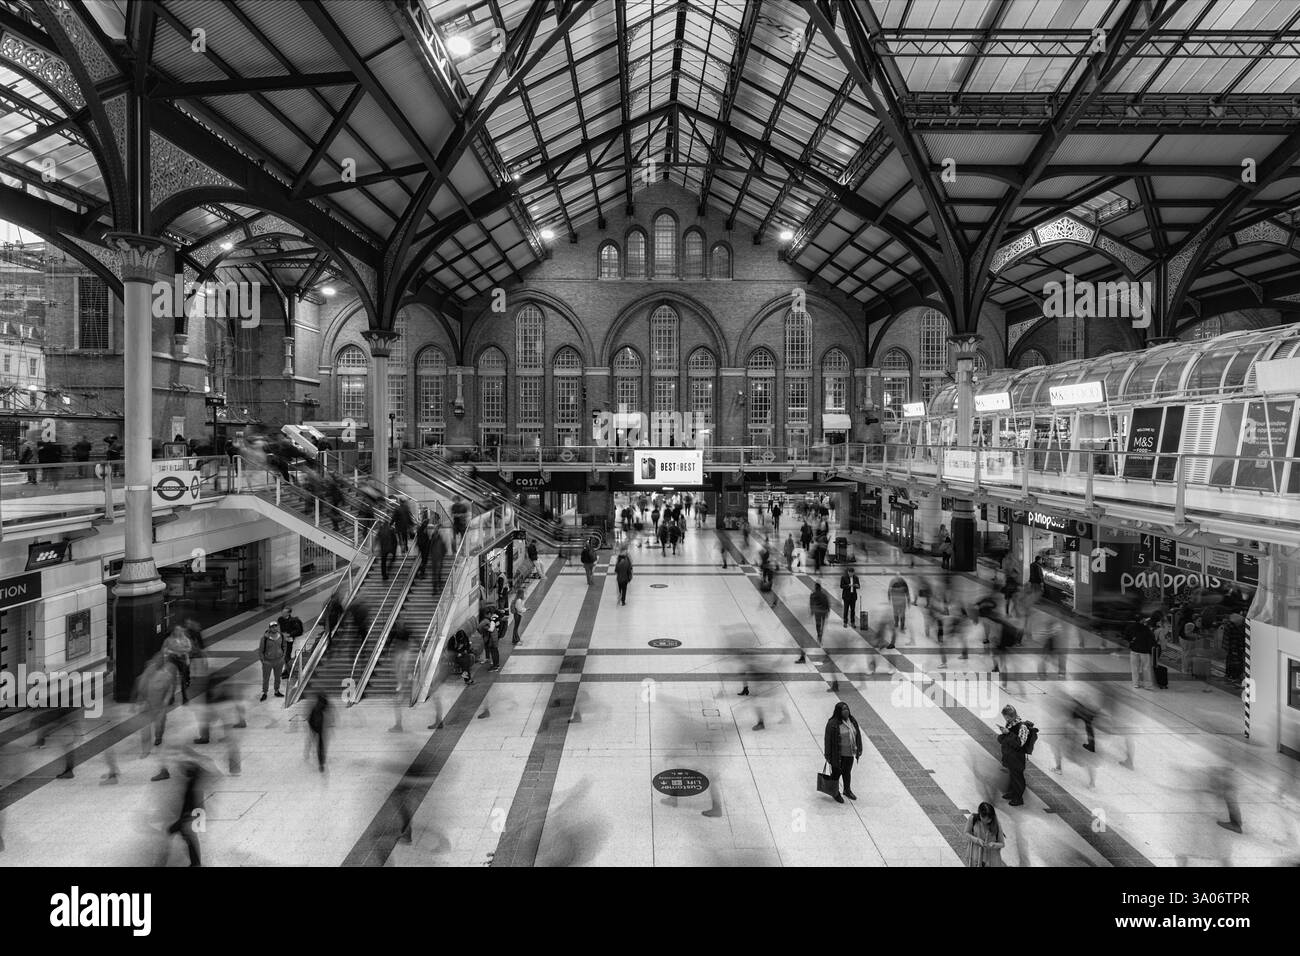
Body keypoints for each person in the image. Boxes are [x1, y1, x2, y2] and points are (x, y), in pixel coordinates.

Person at [822, 702, 863, 803]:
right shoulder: (832, 724)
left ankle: (847, 790)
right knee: (836, 774)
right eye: (843, 709)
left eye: (847, 709)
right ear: (838, 711)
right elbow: (827, 740)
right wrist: (828, 755)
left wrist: (859, 748)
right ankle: (835, 792)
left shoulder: (852, 720)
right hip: (838, 754)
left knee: (847, 772)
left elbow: (858, 735)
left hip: (850, 753)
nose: (846, 711)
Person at [997, 705, 1034, 806]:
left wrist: (1008, 733)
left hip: (1017, 758)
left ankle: (1018, 798)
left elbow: (1020, 743)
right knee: (1013, 776)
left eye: (1006, 717)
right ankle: (1013, 793)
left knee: (1018, 778)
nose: (1005, 719)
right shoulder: (1010, 724)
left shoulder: (1022, 727)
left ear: (1009, 716)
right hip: (1010, 756)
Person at [963, 803, 1006, 867]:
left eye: (988, 819)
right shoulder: (973, 819)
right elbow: (966, 833)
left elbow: (1002, 844)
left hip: (991, 860)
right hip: (975, 856)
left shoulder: (996, 824)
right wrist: (977, 840)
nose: (985, 822)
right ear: (979, 814)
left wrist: (994, 845)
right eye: (983, 818)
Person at [1125, 613, 1155, 689]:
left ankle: (1135, 683)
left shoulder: (1130, 627)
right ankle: (1147, 685)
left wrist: (1131, 641)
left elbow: (1126, 636)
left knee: (1134, 668)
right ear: (1142, 620)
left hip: (1134, 650)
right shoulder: (1146, 628)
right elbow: (1151, 638)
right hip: (1144, 651)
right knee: (1146, 668)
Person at [258, 621, 285, 701]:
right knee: (266, 678)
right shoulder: (265, 638)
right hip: (268, 661)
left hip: (279, 661)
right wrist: (263, 661)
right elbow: (260, 651)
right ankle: (265, 692)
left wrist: (283, 657)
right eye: (272, 627)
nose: (274, 628)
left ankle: (276, 691)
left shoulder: (281, 636)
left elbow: (284, 646)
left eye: (276, 626)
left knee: (277, 677)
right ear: (269, 628)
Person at [277, 607, 304, 680]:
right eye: (282, 612)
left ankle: (289, 671)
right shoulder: (280, 619)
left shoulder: (293, 621)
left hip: (290, 640)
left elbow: (298, 631)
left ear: (289, 613)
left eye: (285, 612)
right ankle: (286, 670)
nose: (283, 614)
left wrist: (289, 634)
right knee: (283, 656)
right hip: (283, 640)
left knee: (287, 656)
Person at [306, 694, 329, 772]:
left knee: (319, 744)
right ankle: (320, 762)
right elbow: (310, 721)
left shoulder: (319, 709)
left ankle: (321, 763)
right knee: (316, 743)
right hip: (315, 727)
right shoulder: (315, 710)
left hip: (318, 728)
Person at [886, 575, 910, 649]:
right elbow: (907, 593)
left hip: (899, 602)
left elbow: (889, 591)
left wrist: (889, 598)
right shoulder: (901, 583)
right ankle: (898, 625)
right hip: (898, 602)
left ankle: (900, 626)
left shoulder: (895, 582)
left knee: (900, 615)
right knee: (899, 614)